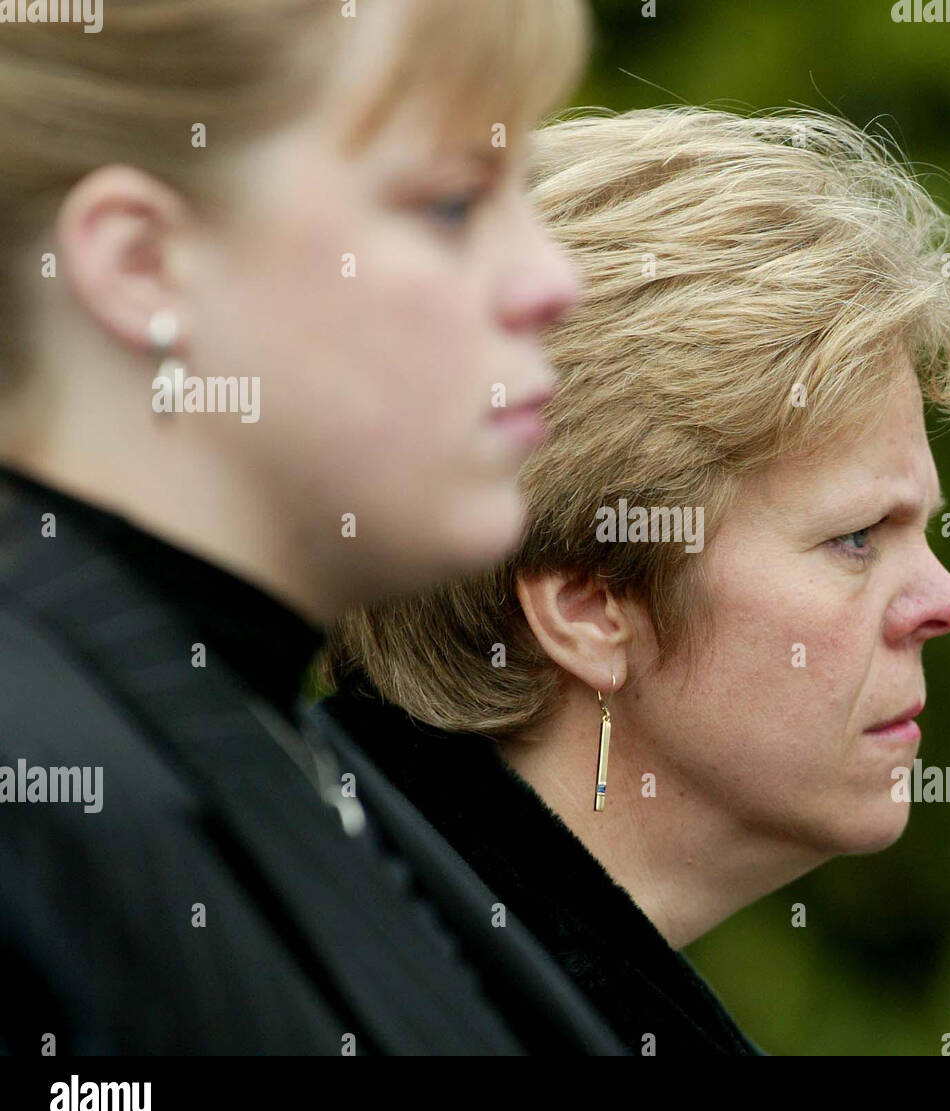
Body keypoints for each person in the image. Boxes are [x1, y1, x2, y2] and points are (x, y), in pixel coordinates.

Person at [0, 0, 624, 1055]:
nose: (552, 280)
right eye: (451, 204)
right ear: (142, 263)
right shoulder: (41, 802)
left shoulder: (257, 732)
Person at [319, 107, 950, 1055]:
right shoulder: (313, 993)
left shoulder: (371, 914)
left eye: (919, 530)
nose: (945, 601)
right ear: (590, 605)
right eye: (855, 538)